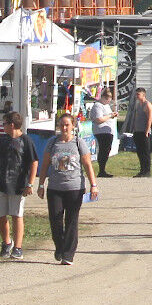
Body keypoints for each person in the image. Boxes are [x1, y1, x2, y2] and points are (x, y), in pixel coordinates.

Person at [37, 112, 99, 265]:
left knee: (71, 221)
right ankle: (59, 246)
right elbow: (44, 165)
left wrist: (93, 185)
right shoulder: (52, 143)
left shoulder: (78, 143)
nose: (64, 128)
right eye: (62, 125)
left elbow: (87, 165)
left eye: (67, 125)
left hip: (74, 188)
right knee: (55, 219)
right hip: (55, 188)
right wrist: (40, 184)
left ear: (73, 126)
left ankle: (68, 254)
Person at [0, 111, 38, 260]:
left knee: (16, 215)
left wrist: (30, 183)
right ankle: (7, 242)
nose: (3, 126)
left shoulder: (26, 140)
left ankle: (18, 247)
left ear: (12, 125)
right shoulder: (3, 140)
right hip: (2, 182)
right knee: (0, 215)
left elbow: (34, 162)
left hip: (18, 183)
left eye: (4, 123)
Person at [125, 87, 152, 177]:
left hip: (144, 131)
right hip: (137, 131)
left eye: (138, 94)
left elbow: (150, 119)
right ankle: (142, 170)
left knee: (145, 152)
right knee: (140, 152)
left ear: (143, 95)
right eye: (136, 94)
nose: (137, 96)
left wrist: (146, 131)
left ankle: (147, 171)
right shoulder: (138, 105)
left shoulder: (147, 105)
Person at [90, 87, 117, 178]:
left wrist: (112, 115)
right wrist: (110, 116)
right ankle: (101, 170)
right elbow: (99, 119)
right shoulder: (98, 105)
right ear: (103, 97)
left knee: (106, 150)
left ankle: (103, 169)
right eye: (107, 98)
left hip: (108, 131)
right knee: (103, 149)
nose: (108, 100)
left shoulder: (107, 106)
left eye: (109, 98)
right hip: (101, 131)